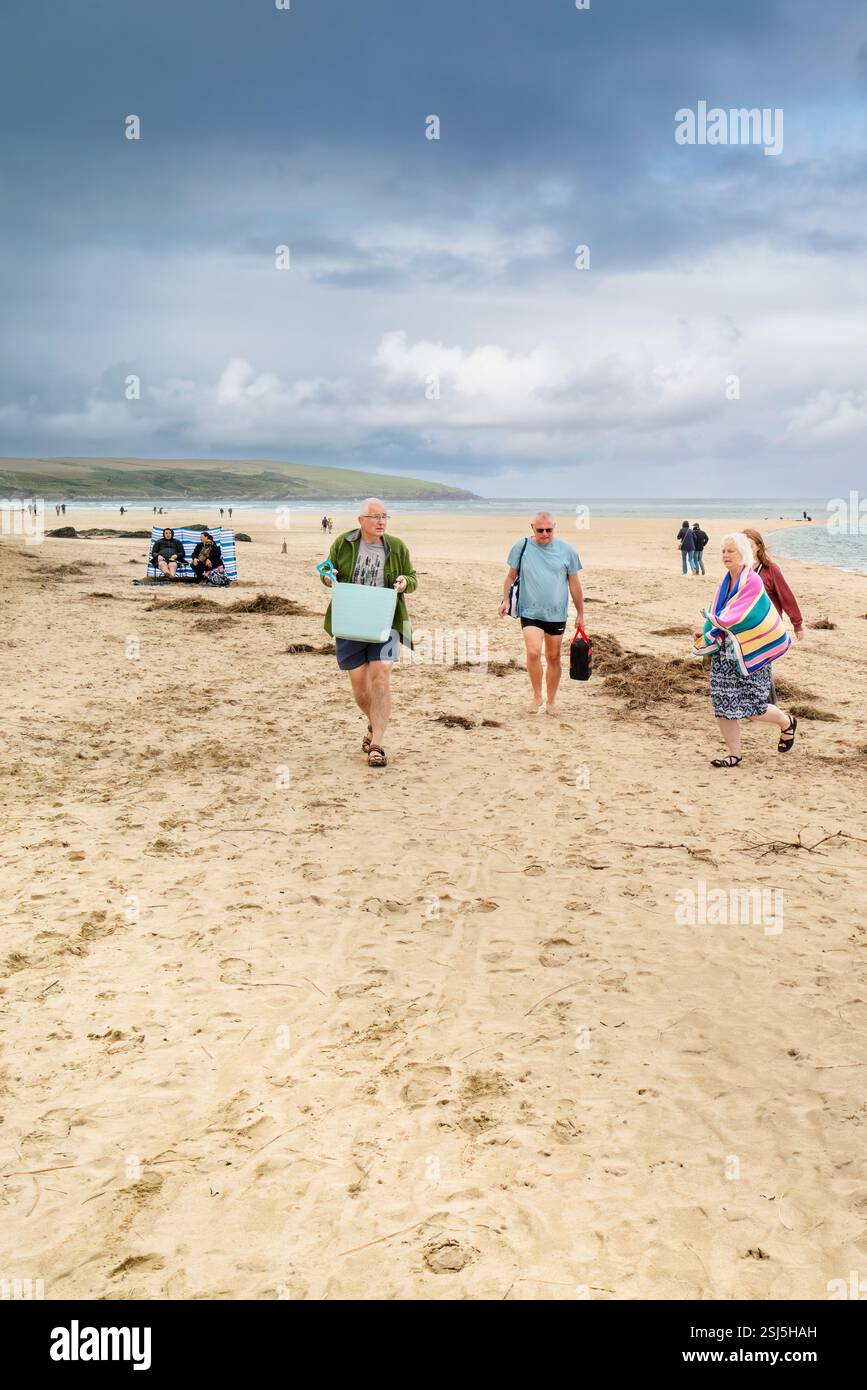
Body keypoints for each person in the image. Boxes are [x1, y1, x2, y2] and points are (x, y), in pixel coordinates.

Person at [319, 498, 417, 768]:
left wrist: (403, 582)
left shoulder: (396, 547)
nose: (381, 521)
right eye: (375, 517)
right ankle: (374, 724)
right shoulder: (343, 543)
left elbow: (412, 578)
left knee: (381, 679)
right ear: (361, 520)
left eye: (385, 516)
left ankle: (377, 745)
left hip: (385, 620)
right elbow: (326, 571)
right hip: (350, 621)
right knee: (360, 688)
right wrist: (329, 577)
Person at [693, 532, 797, 768]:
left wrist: (716, 625)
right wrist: (705, 632)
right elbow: (716, 611)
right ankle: (734, 754)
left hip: (750, 651)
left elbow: (737, 615)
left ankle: (786, 723)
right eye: (723, 551)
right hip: (724, 653)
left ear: (744, 554)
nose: (725, 555)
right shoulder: (724, 580)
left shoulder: (752, 581)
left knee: (753, 708)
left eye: (731, 551)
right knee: (722, 705)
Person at [498, 511, 584, 716]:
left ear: (554, 527)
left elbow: (574, 583)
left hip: (556, 614)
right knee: (533, 653)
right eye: (540, 530)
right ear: (532, 528)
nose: (545, 534)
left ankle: (551, 701)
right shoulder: (522, 547)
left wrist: (581, 614)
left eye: (549, 530)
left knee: (553, 657)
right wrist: (506, 600)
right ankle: (537, 696)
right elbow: (511, 576)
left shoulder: (567, 551)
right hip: (530, 611)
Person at [743, 526, 805, 706]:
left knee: (762, 663)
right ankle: (755, 703)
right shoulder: (739, 570)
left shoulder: (771, 570)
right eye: (743, 546)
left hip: (768, 626)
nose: (747, 549)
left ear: (758, 547)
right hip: (745, 626)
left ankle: (769, 705)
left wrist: (797, 624)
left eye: (750, 545)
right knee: (748, 663)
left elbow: (786, 597)